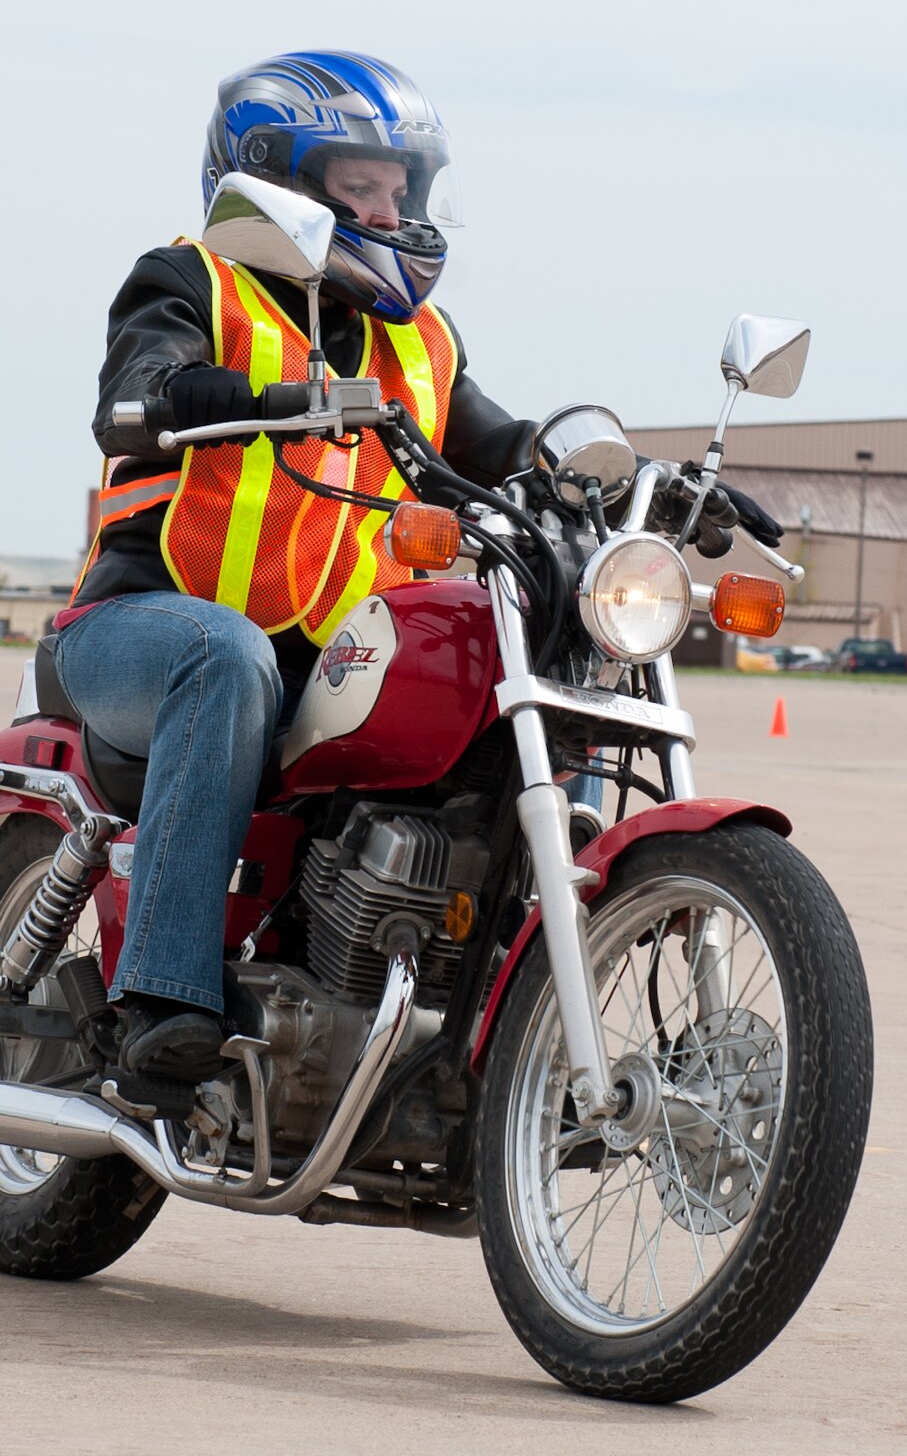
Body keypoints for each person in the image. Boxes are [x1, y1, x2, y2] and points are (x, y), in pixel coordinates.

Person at [52, 52, 778, 1082]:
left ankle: (476, 1012)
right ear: (280, 183)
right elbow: (134, 392)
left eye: (401, 187)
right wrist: (223, 399)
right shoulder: (188, 282)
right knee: (226, 655)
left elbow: (501, 442)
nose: (390, 209)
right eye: (361, 186)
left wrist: (644, 480)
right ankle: (163, 998)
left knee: (500, 666)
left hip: (325, 652)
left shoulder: (417, 342)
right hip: (146, 627)